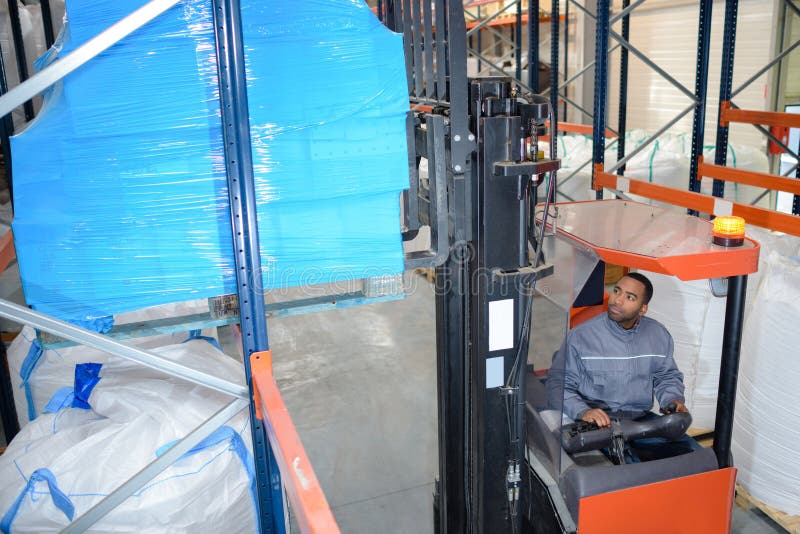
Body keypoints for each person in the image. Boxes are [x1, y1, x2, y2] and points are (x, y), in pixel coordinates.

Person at [546, 272, 700, 462]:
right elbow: (557, 384)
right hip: (599, 424)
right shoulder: (581, 336)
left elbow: (666, 376)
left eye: (630, 297)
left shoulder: (658, 335)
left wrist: (672, 399)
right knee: (627, 470)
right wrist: (583, 411)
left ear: (643, 309)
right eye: (617, 291)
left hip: (641, 422)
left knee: (695, 458)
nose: (617, 300)